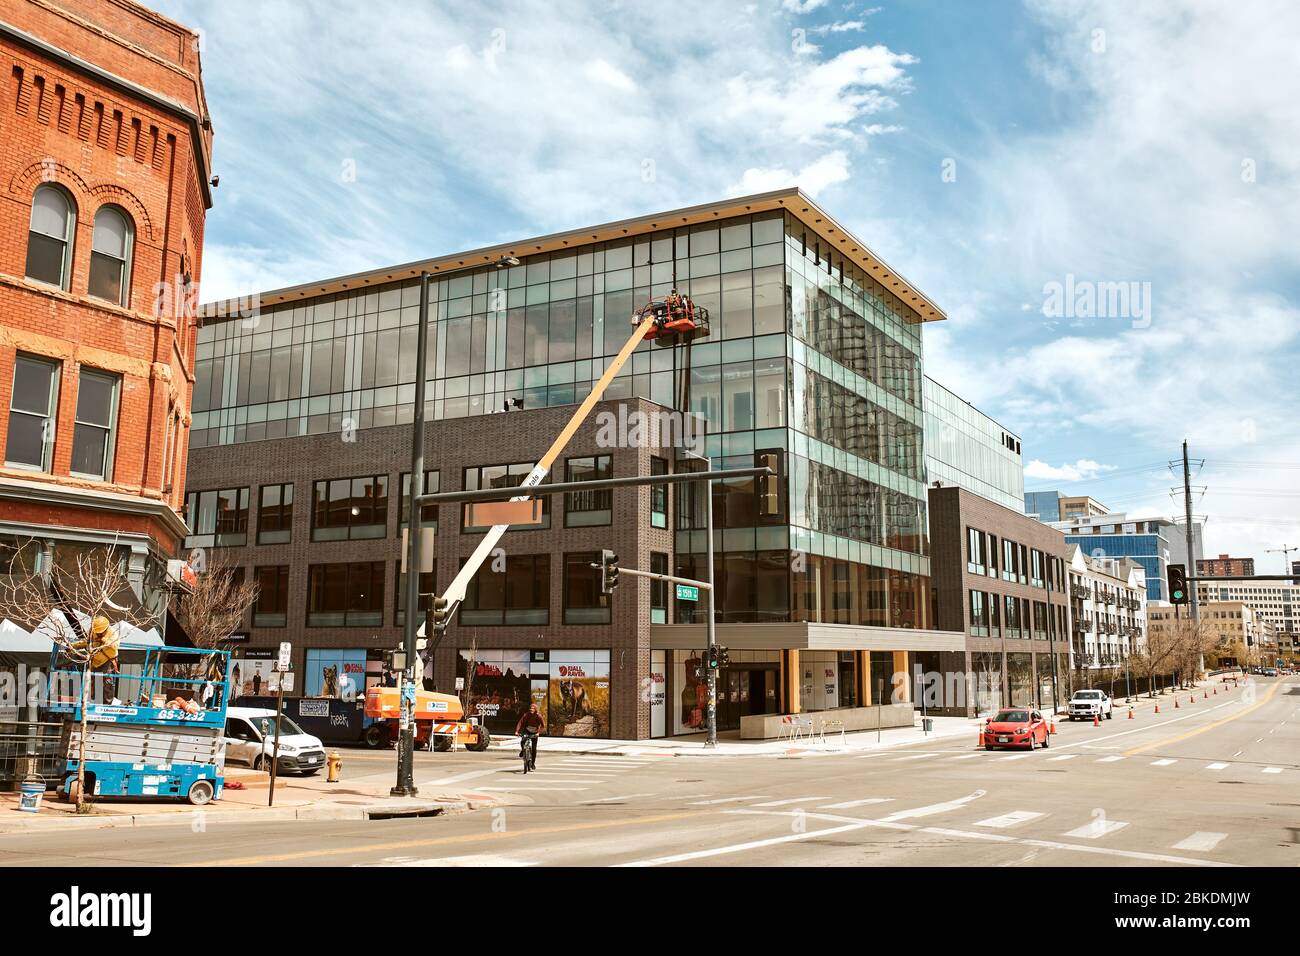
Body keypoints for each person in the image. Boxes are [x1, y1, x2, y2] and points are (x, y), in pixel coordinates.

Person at [514, 702, 544, 766]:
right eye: (530, 708)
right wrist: (517, 731)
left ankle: (533, 763)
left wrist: (538, 733)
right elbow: (520, 723)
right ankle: (523, 750)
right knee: (522, 742)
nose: (531, 709)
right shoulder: (526, 715)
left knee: (534, 749)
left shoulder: (538, 716)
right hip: (527, 730)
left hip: (535, 733)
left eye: (533, 708)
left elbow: (542, 726)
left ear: (535, 709)